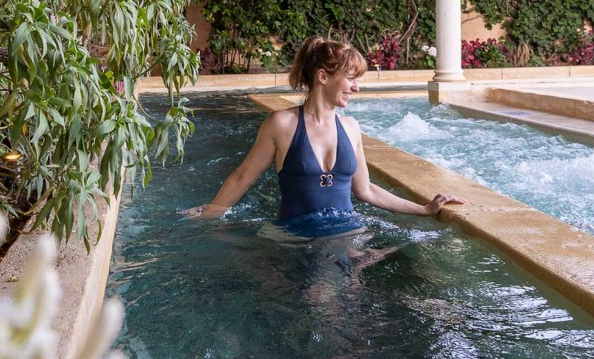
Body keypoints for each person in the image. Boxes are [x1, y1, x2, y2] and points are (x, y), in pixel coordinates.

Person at [185, 36, 465, 239]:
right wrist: (211, 214)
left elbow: (365, 191)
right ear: (323, 76)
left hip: (347, 232)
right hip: (294, 235)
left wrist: (425, 209)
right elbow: (242, 177)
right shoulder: (282, 124)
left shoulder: (351, 127)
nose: (356, 88)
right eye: (351, 78)